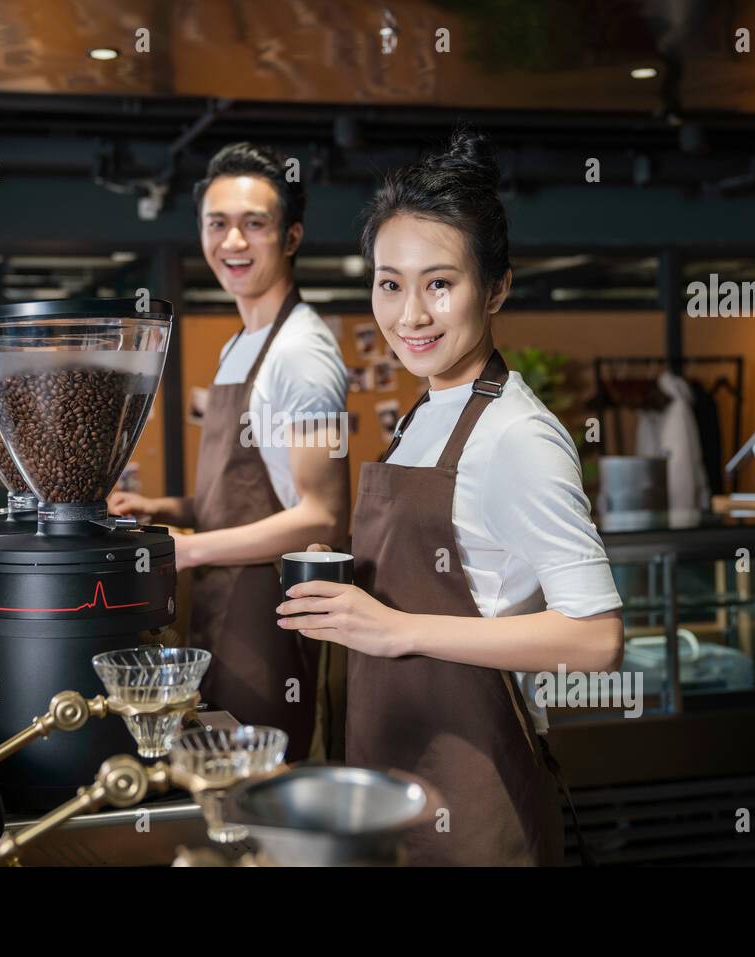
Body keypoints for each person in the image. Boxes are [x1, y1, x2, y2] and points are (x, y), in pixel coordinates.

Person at [276, 130, 624, 865]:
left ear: (495, 287)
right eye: (389, 283)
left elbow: (595, 638)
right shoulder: (423, 415)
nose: (410, 316)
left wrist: (396, 628)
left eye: (440, 283)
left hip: (473, 799)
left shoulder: (517, 434)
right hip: (393, 779)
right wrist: (350, 582)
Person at [109, 142, 350, 761]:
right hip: (221, 606)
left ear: (290, 236)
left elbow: (322, 515)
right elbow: (235, 494)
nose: (233, 242)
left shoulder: (303, 353)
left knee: (265, 791)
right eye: (218, 224)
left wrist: (187, 548)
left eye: (255, 224)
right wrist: (163, 505)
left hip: (269, 618)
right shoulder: (240, 344)